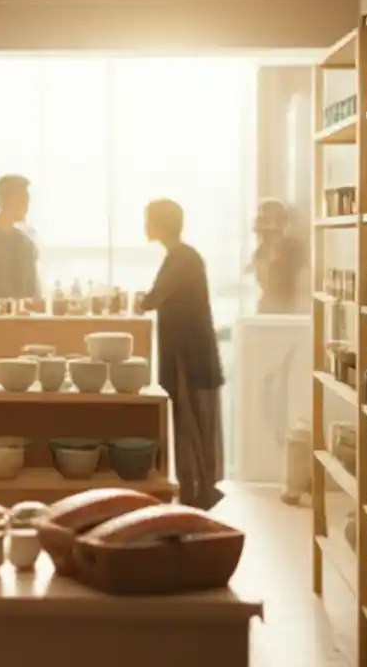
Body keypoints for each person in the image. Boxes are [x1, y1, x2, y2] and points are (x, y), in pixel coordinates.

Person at [138, 199, 225, 510]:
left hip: (189, 355)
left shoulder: (182, 258)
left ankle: (199, 489)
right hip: (185, 352)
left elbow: (153, 298)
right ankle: (194, 487)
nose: (144, 226)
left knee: (192, 420)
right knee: (188, 419)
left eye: (148, 220)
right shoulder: (180, 257)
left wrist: (138, 301)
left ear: (160, 224)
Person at [247, 198, 306, 314]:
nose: (272, 226)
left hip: (292, 313)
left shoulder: (296, 249)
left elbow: (303, 287)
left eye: (277, 220)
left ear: (284, 222)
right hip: (268, 313)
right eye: (266, 221)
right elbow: (266, 287)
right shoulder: (260, 253)